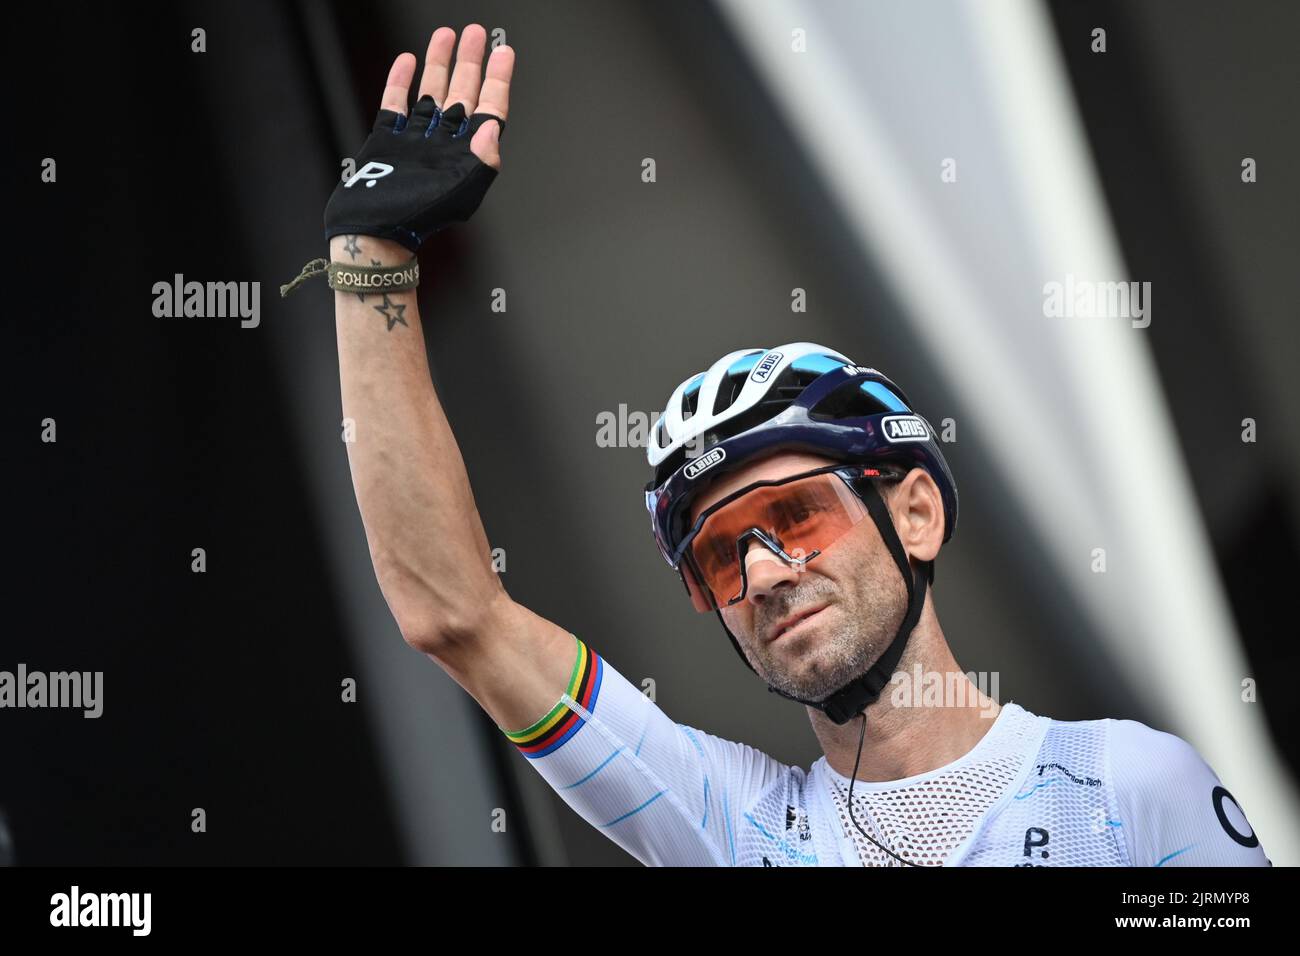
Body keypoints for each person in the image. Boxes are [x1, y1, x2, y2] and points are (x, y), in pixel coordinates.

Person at [294, 24, 1271, 867]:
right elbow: (454, 611)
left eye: (794, 513)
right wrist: (370, 263)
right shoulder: (734, 827)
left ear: (916, 512)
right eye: (721, 553)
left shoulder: (1127, 788)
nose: (762, 570)